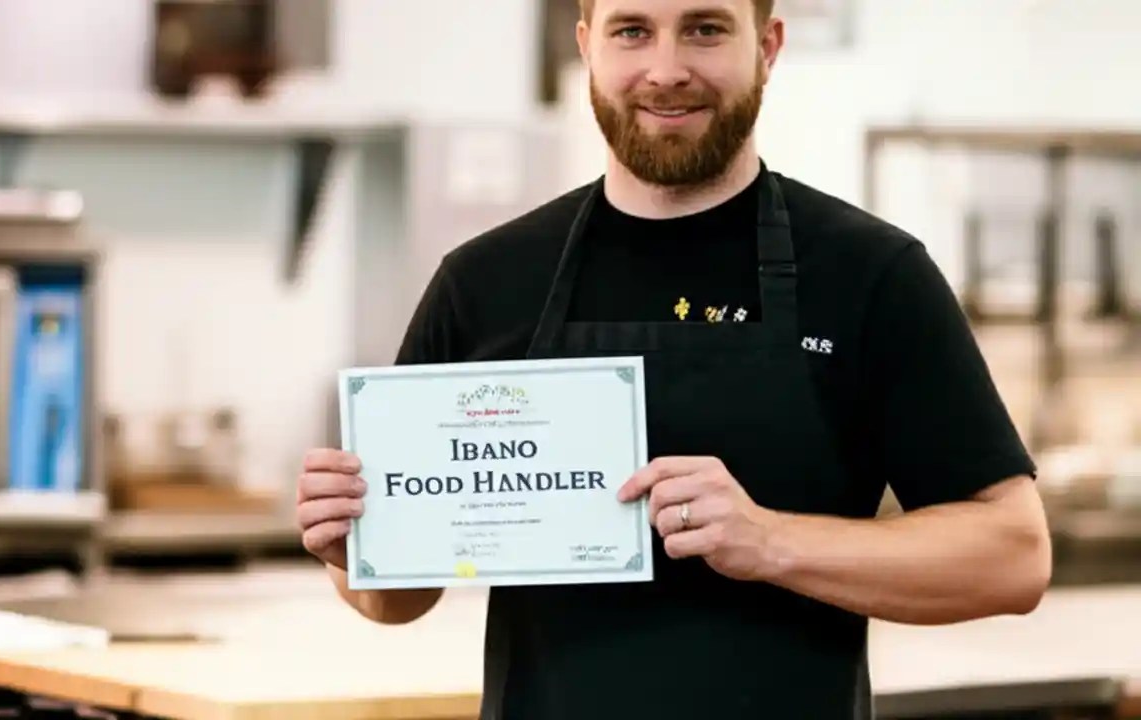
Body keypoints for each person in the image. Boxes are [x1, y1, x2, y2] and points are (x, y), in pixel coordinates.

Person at [295, 0, 1053, 717]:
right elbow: (397, 599)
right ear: (587, 44)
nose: (665, 69)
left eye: (703, 30)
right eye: (632, 31)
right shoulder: (486, 283)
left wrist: (771, 541)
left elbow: (1014, 556)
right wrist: (350, 548)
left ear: (766, 47)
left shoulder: (869, 275)